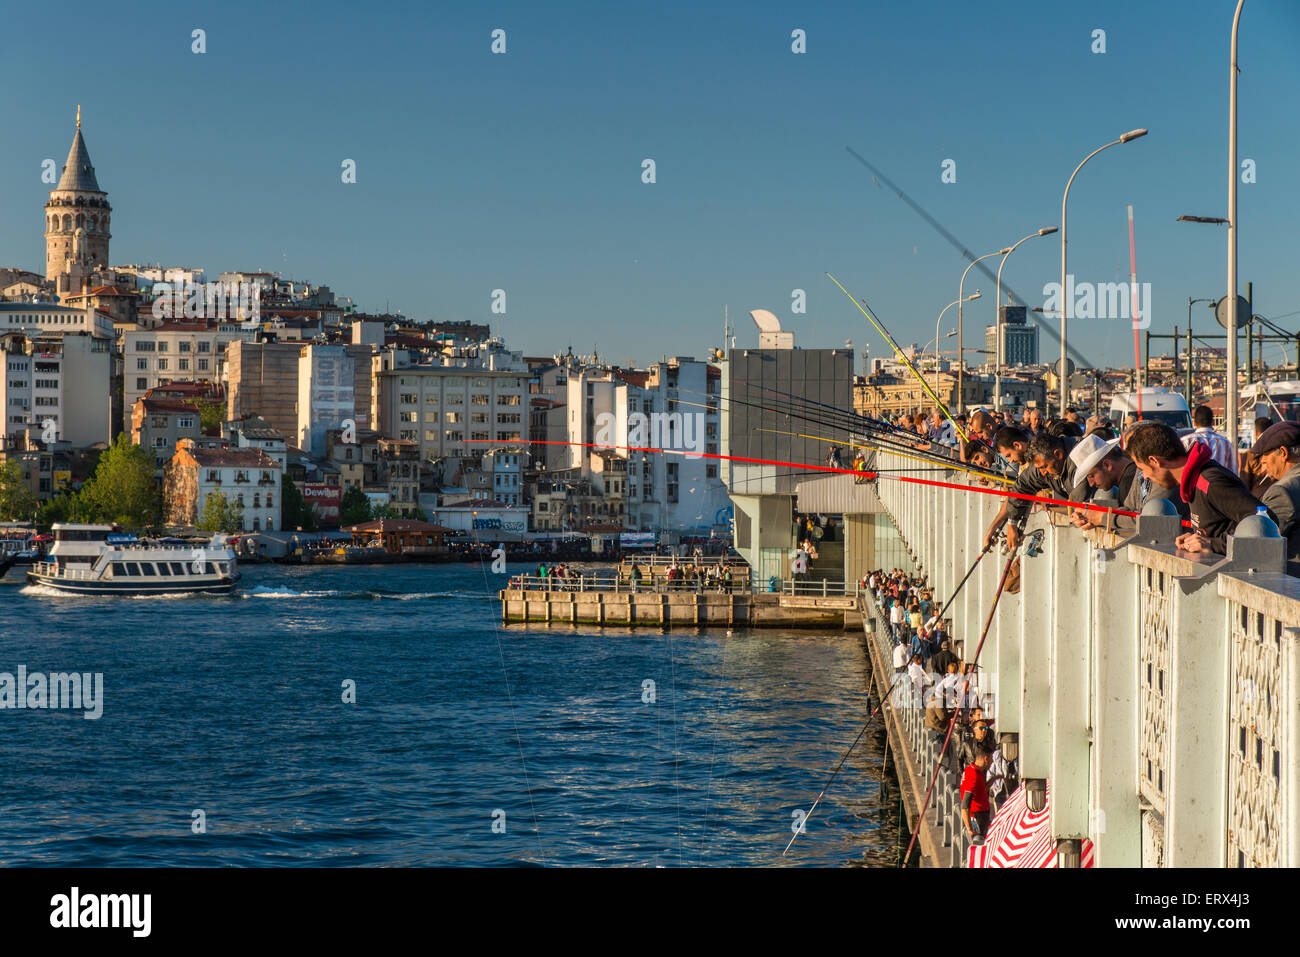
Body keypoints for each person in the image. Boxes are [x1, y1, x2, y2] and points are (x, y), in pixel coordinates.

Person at [1127, 421, 1270, 555]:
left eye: (1142, 469)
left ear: (1154, 461)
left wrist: (1213, 544)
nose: (1144, 476)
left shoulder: (1209, 481)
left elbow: (1264, 521)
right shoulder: (1192, 482)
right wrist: (1197, 539)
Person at [1067, 432, 1184, 531]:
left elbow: (1151, 520)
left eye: (1091, 476)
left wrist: (1101, 518)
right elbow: (1132, 512)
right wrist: (1093, 514)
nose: (1091, 483)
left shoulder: (1156, 478)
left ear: (1107, 465)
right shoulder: (1135, 477)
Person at [984, 433, 1076, 550]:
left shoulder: (1048, 456)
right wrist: (1001, 526)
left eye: (1008, 455)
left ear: (1017, 445)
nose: (1010, 461)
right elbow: (1019, 491)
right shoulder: (1038, 464)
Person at [1254, 422, 1300, 575]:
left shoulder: (1282, 492)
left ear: (1283, 452)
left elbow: (1259, 542)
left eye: (1265, 454)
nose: (1262, 461)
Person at [1182, 404, 1238, 474]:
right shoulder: (1225, 443)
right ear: (1212, 422)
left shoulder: (1185, 441)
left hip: (1194, 484)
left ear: (1194, 423)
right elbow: (1232, 471)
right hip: (1219, 483)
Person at [961, 749, 993, 844]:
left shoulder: (972, 770)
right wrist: (970, 828)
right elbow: (965, 805)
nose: (992, 763)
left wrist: (994, 779)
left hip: (980, 816)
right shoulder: (974, 775)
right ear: (986, 759)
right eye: (991, 759)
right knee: (980, 845)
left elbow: (981, 790)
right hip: (978, 818)